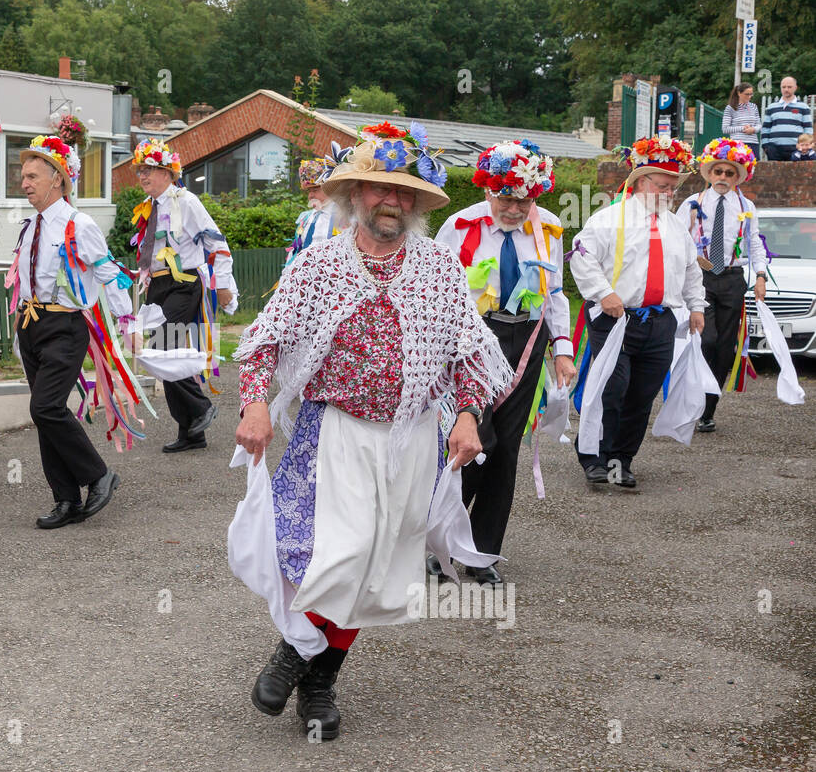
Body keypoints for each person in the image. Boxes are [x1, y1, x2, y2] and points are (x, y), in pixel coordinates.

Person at [232, 122, 513, 740]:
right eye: (380, 189)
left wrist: (467, 414)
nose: (393, 201)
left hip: (412, 439)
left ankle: (318, 684)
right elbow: (264, 343)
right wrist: (255, 404)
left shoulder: (439, 268)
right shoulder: (318, 266)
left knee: (381, 567)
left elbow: (469, 354)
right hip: (334, 432)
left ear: (416, 203)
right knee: (338, 555)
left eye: (405, 193)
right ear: (354, 194)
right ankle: (295, 651)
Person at [434, 139, 575, 584]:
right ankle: (438, 542)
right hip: (473, 339)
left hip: (527, 340)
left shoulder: (549, 227)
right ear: (489, 189)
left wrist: (563, 351)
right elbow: (436, 291)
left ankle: (481, 554)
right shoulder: (459, 225)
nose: (516, 208)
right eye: (507, 197)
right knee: (474, 442)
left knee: (506, 448)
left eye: (526, 199)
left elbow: (554, 294)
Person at [7, 135, 140, 529]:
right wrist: (19, 331)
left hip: (65, 326)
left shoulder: (79, 225)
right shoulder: (30, 226)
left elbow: (109, 273)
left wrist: (127, 322)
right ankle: (65, 499)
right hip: (32, 325)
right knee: (47, 415)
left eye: (32, 176)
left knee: (44, 407)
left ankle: (98, 474)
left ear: (58, 180)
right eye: (23, 175)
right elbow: (26, 280)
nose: (24, 182)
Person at [570, 137, 706, 488]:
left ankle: (621, 460)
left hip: (660, 322)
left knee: (642, 395)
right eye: (662, 186)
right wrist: (605, 293)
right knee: (612, 390)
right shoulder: (609, 218)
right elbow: (580, 255)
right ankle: (594, 456)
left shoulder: (677, 228)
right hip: (616, 319)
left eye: (673, 188)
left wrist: (696, 306)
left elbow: (692, 270)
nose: (669, 194)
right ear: (640, 182)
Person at [128, 138, 237, 453]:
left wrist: (224, 285)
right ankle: (191, 432)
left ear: (167, 172)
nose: (143, 176)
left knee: (161, 347)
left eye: (149, 170)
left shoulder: (185, 201)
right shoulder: (150, 208)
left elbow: (217, 242)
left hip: (185, 282)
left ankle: (200, 407)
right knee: (166, 352)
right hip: (160, 285)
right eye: (140, 171)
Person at [675, 138, 768, 431]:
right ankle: (695, 400)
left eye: (729, 174)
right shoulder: (692, 203)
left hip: (731, 278)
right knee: (708, 339)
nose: (723, 178)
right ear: (710, 174)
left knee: (726, 347)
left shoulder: (746, 205)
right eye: (718, 173)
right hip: (701, 277)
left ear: (737, 177)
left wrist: (761, 276)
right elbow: (676, 242)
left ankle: (708, 409)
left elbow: (754, 243)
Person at [281, 147, 346, 273]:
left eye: (315, 190)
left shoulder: (345, 217)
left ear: (331, 188)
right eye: (309, 191)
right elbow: (296, 250)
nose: (310, 196)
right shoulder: (305, 218)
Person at [759, 77, 813, 161]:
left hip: (796, 149)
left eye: (789, 87)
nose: (786, 89)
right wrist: (766, 146)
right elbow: (765, 128)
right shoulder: (771, 107)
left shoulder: (803, 107)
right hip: (774, 149)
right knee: (775, 174)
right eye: (783, 87)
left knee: (796, 174)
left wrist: (805, 146)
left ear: (795, 88)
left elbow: (808, 129)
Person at [722, 83, 761, 152]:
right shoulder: (730, 108)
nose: (749, 97)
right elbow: (725, 129)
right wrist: (743, 128)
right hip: (737, 144)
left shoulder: (754, 107)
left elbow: (759, 125)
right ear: (739, 93)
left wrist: (753, 129)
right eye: (747, 94)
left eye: (751, 94)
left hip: (753, 144)